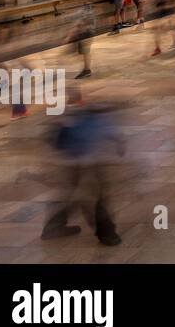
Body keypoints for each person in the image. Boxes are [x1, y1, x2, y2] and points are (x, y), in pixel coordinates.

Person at [40, 102, 125, 246]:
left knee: (69, 195)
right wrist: (119, 148)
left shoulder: (75, 118)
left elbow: (50, 138)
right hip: (85, 163)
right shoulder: (97, 121)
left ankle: (53, 227)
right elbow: (116, 137)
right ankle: (107, 234)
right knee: (91, 198)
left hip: (68, 162)